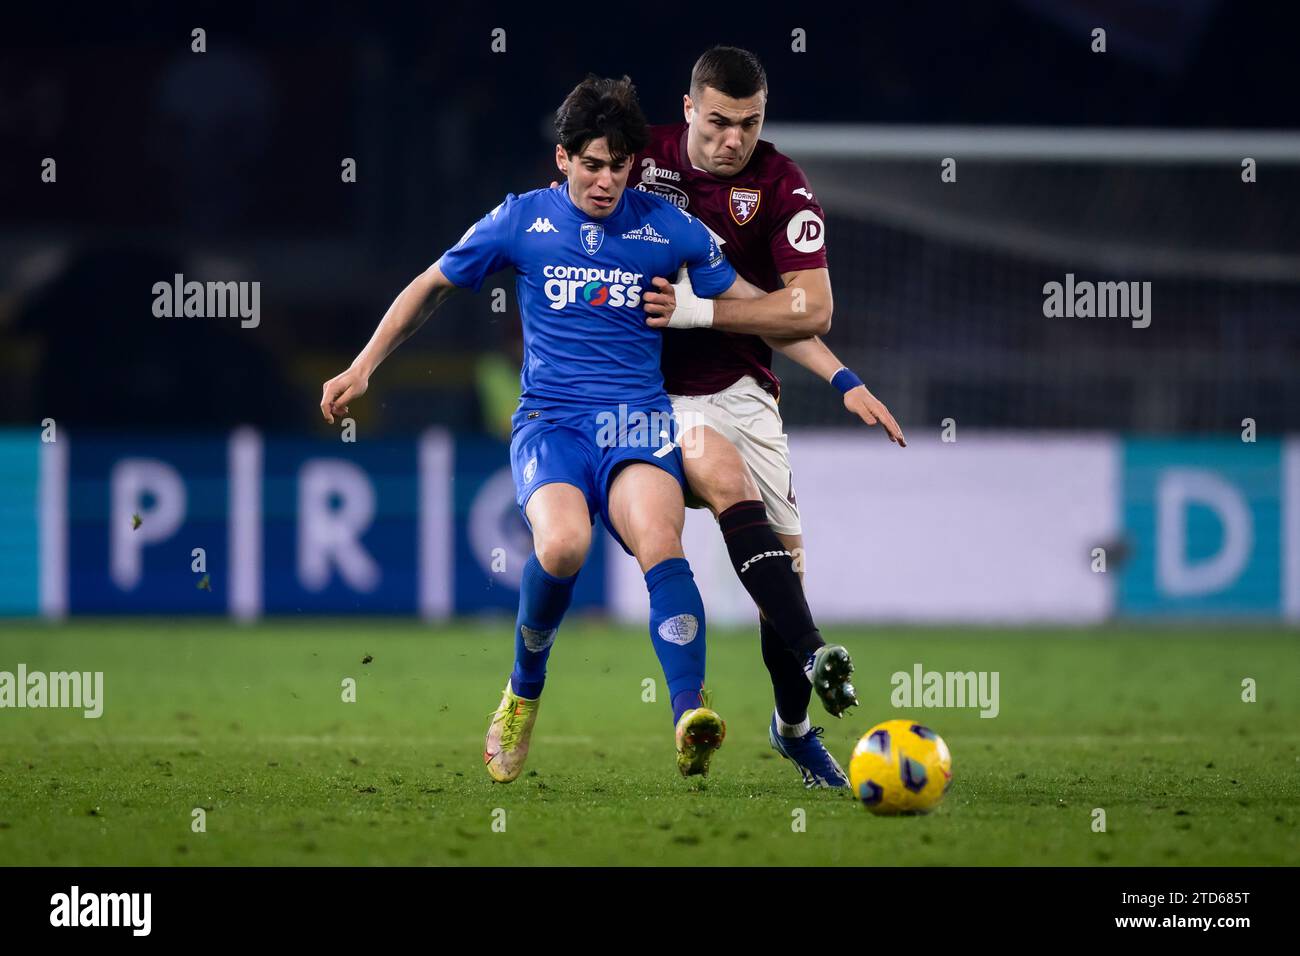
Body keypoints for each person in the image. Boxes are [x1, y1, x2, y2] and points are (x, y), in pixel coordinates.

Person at [320, 74, 766, 781]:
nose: (606, 181)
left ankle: (689, 713)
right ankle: (524, 692)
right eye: (592, 165)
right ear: (563, 158)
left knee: (660, 540)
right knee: (562, 547)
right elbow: (430, 284)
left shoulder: (666, 228)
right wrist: (364, 365)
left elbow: (750, 305)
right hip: (552, 424)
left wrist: (817, 334)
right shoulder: (519, 221)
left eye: (619, 167)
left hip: (636, 422)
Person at [636, 46, 906, 789]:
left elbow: (810, 307)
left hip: (742, 390)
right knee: (709, 497)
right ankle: (683, 704)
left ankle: (791, 729)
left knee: (782, 583)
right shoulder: (637, 159)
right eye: (718, 122)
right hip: (643, 397)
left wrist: (841, 376)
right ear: (688, 108)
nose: (733, 140)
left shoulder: (780, 182)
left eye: (749, 124)